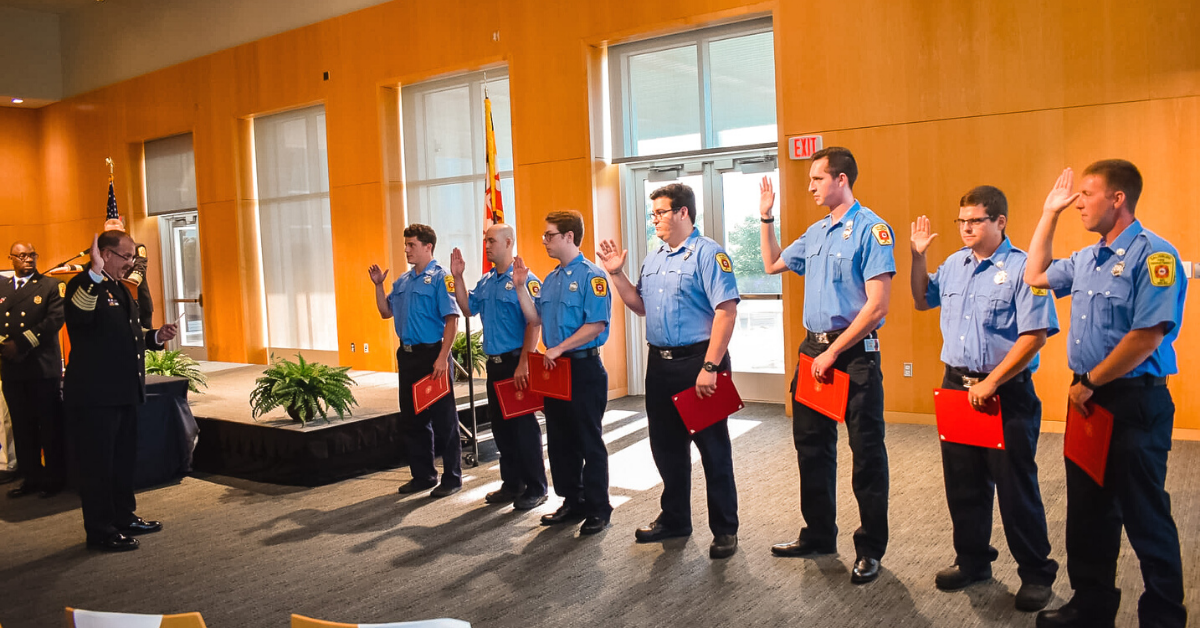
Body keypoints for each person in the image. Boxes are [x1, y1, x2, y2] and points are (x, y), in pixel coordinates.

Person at [1025, 162, 1187, 628]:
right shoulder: (1086, 258)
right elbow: (1034, 275)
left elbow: (1147, 336)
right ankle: (1091, 605)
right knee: (1088, 512)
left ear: (1117, 198)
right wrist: (1048, 214)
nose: (1079, 201)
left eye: (1087, 194)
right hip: (1089, 402)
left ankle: (1162, 615)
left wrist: (1092, 381)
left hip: (1133, 401)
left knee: (1145, 514)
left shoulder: (1154, 255)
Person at [909, 186, 1058, 611]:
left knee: (1015, 487)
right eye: (961, 221)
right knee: (963, 483)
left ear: (1000, 222)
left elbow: (1035, 336)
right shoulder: (954, 265)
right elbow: (922, 300)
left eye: (975, 220)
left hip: (1005, 392)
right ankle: (973, 561)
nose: (966, 228)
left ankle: (1035, 573)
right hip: (957, 387)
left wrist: (992, 381)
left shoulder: (1025, 268)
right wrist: (918, 256)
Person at [759, 147, 894, 584]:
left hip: (853, 355)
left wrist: (834, 353)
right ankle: (818, 533)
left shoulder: (872, 231)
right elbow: (772, 263)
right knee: (811, 449)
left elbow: (876, 308)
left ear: (841, 180)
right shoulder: (816, 233)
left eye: (817, 179)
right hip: (812, 351)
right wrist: (766, 219)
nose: (811, 187)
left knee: (866, 454)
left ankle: (870, 549)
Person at [597, 183, 741, 559]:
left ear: (683, 213)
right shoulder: (654, 258)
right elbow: (640, 306)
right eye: (653, 214)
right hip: (659, 365)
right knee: (666, 448)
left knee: (713, 450)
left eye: (660, 212)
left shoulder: (709, 254)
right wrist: (617, 274)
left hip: (699, 363)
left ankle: (725, 529)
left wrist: (711, 366)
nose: (655, 219)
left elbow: (726, 312)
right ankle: (675, 517)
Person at [63, 231, 178, 551]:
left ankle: (123, 517)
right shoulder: (83, 285)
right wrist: (94, 273)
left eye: (132, 257)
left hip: (123, 391)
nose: (131, 263)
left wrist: (156, 336)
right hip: (95, 395)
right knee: (98, 465)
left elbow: (128, 332)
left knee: (123, 460)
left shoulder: (119, 288)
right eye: (126, 257)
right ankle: (100, 530)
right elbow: (82, 319)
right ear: (105, 254)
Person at [513, 210, 613, 536]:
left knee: (588, 441)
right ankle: (573, 500)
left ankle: (598, 508)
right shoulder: (552, 279)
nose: (544, 241)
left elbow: (597, 324)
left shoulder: (591, 276)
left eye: (550, 235)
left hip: (583, 367)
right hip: (555, 371)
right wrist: (519, 288)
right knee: (559, 441)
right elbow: (535, 318)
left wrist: (559, 347)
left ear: (569, 236)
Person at [449, 224, 548, 510]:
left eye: (491, 240)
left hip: (517, 363)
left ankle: (536, 486)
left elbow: (535, 322)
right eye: (485, 240)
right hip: (494, 366)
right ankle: (512, 483)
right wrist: (457, 276)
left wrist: (526, 362)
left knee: (523, 429)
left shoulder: (525, 280)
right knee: (502, 429)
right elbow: (468, 309)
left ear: (508, 242)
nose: (487, 245)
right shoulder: (487, 281)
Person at [369, 223, 462, 498]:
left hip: (432, 355)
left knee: (444, 420)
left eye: (412, 245)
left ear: (427, 247)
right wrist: (378, 286)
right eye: (406, 245)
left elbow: (452, 320)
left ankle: (453, 477)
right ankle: (423, 475)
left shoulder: (440, 278)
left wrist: (443, 358)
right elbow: (385, 311)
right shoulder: (403, 281)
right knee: (412, 419)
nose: (407, 250)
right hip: (408, 356)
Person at [0, 242, 67, 499]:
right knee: (22, 426)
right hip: (12, 368)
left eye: (32, 255)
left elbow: (54, 320)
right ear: (11, 259)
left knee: (48, 425)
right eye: (22, 256)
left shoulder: (50, 285)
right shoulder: (3, 287)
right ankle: (31, 477)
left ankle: (53, 478)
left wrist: (22, 344)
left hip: (41, 367)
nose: (28, 259)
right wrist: (4, 346)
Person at [103, 218, 153, 327]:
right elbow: (91, 266)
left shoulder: (137, 248)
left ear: (124, 231)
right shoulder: (104, 253)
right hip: (115, 306)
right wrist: (70, 267)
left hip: (138, 302)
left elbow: (140, 268)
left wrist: (127, 285)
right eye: (110, 233)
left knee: (145, 340)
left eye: (117, 232)